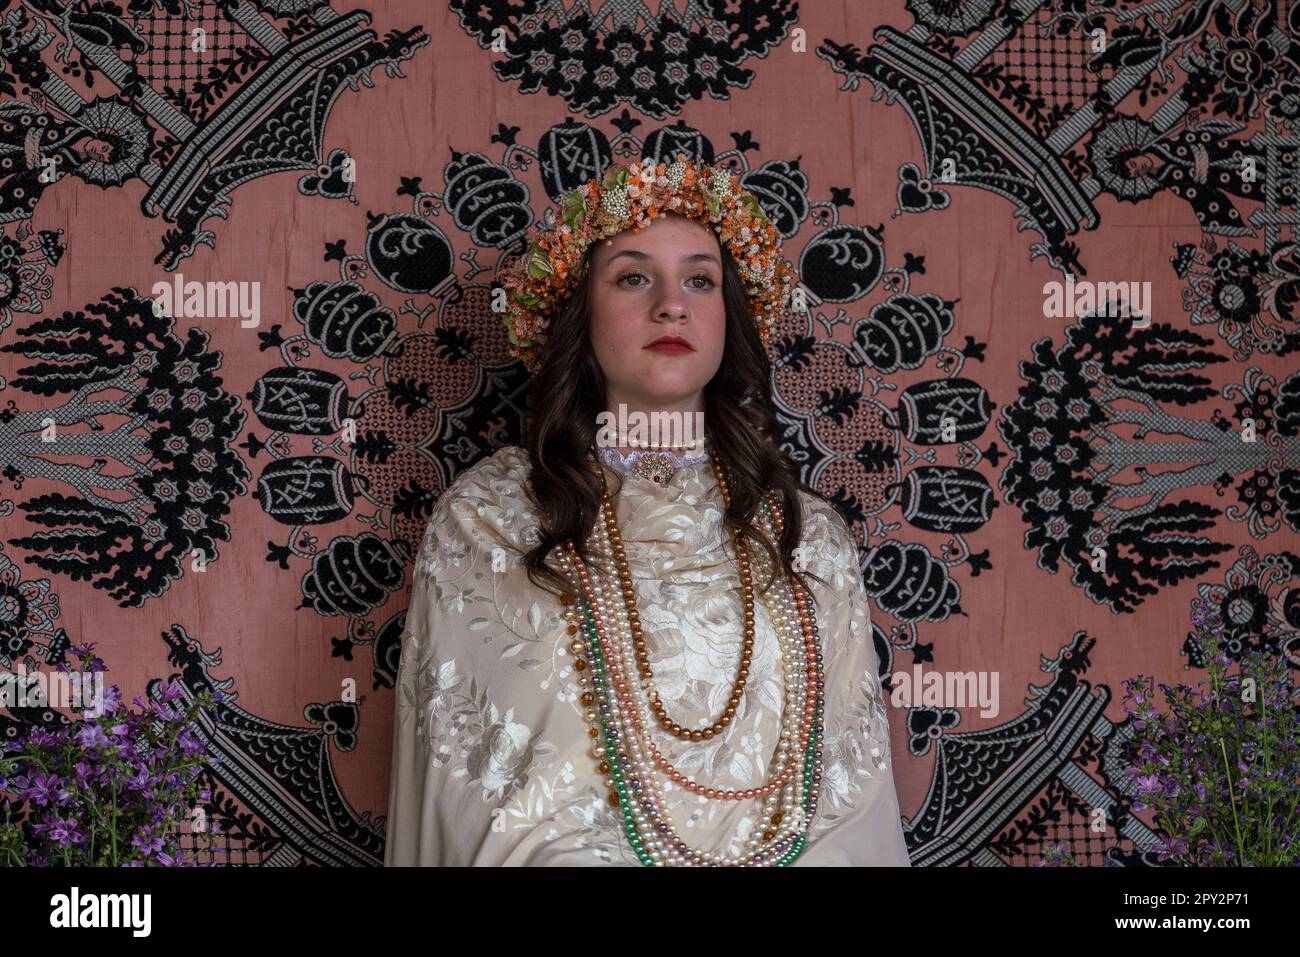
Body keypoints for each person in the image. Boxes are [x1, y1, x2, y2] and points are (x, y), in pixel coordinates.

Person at [384, 156, 910, 866]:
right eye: (634, 277)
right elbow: (472, 803)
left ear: (729, 316)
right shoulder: (488, 523)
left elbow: (855, 801)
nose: (672, 304)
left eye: (700, 279)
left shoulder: (809, 538)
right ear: (579, 312)